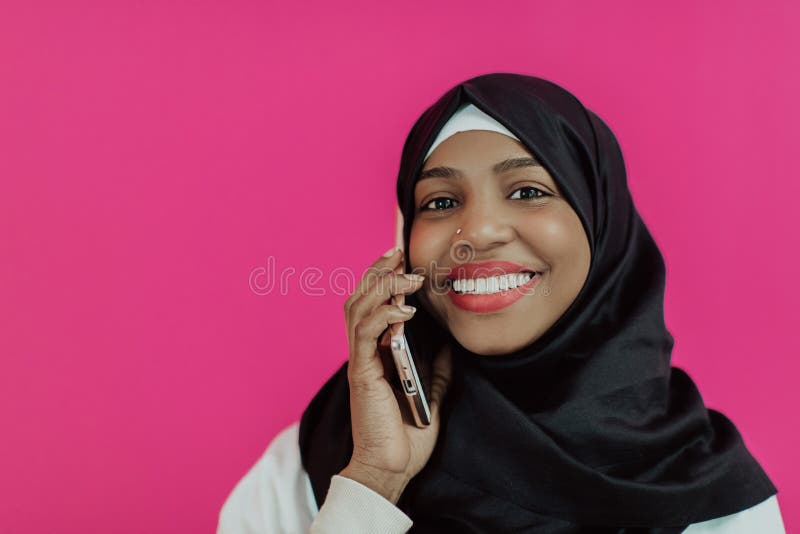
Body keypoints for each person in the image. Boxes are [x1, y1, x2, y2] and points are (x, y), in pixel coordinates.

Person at [217, 73, 786, 533]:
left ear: (601, 223)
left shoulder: (701, 491)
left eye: (528, 191)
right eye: (439, 202)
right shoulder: (316, 462)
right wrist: (372, 483)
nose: (478, 231)